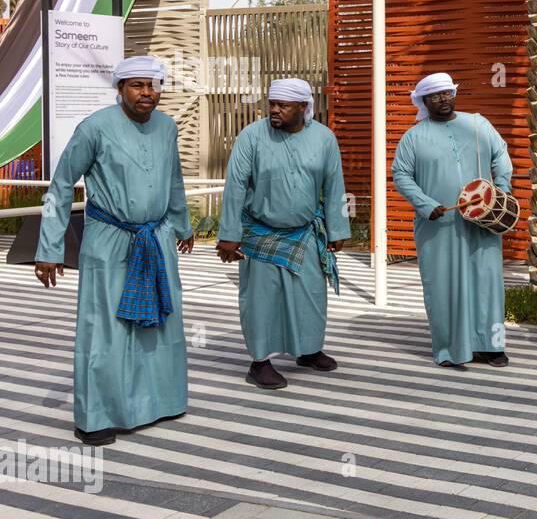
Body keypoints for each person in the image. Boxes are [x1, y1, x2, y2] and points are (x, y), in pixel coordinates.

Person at [33, 55, 194, 445]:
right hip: (109, 242)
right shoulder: (94, 128)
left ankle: (161, 401)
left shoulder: (167, 127)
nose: (147, 93)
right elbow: (60, 187)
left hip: (156, 237)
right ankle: (96, 417)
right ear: (120, 88)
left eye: (153, 85)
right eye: (137, 85)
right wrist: (49, 248)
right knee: (104, 329)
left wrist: (183, 225)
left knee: (160, 321)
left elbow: (173, 180)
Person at [217, 79, 350, 389]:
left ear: (303, 108)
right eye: (272, 103)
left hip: (305, 233)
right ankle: (260, 362)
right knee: (262, 301)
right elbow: (235, 186)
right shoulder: (252, 136)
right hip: (260, 232)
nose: (274, 110)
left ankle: (308, 350)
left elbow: (334, 186)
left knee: (311, 296)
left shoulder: (324, 138)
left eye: (283, 105)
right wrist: (229, 234)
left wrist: (338, 228)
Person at [392, 72, 513, 369]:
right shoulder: (413, 137)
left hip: (482, 220)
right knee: (443, 285)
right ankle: (449, 349)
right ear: (423, 100)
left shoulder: (477, 124)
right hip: (439, 224)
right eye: (435, 96)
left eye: (447, 93)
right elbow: (401, 175)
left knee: (487, 281)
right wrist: (426, 204)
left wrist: (500, 192)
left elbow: (501, 156)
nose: (444, 99)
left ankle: (491, 345)